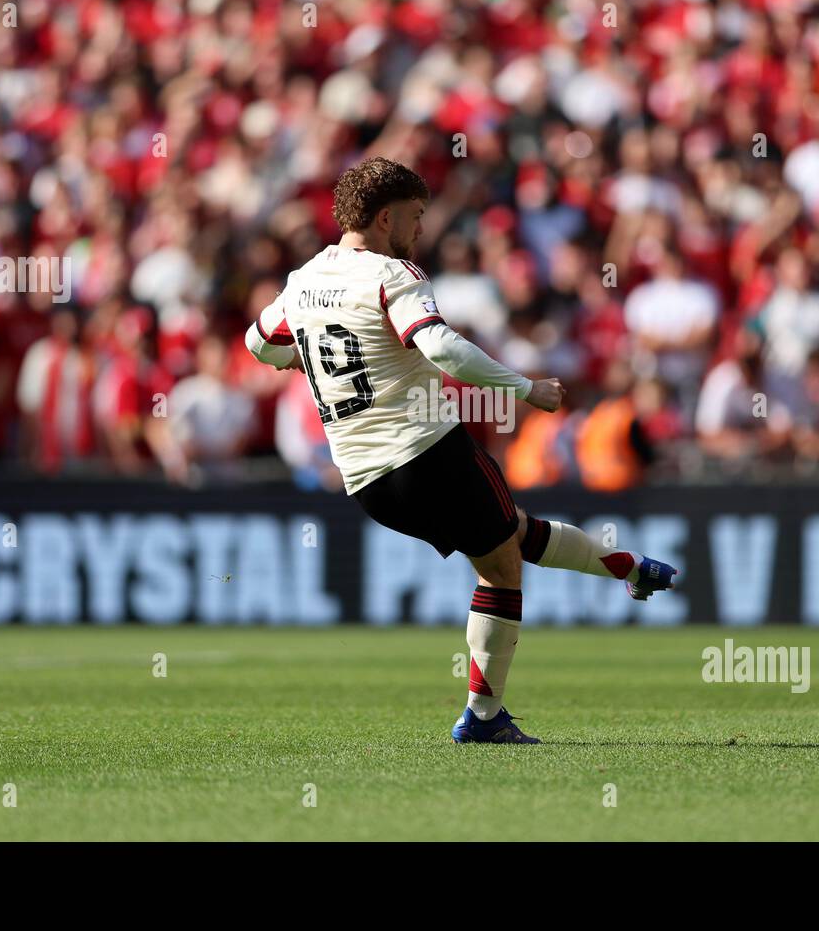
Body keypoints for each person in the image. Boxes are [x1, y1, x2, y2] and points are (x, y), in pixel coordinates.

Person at [246, 157, 678, 744]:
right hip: (426, 451)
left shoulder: (304, 281)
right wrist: (525, 387)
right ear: (385, 216)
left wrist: (306, 355)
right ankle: (482, 718)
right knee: (503, 568)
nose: (420, 229)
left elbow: (259, 344)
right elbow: (442, 348)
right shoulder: (393, 273)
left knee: (511, 536)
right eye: (416, 216)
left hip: (368, 482)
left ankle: (628, 568)